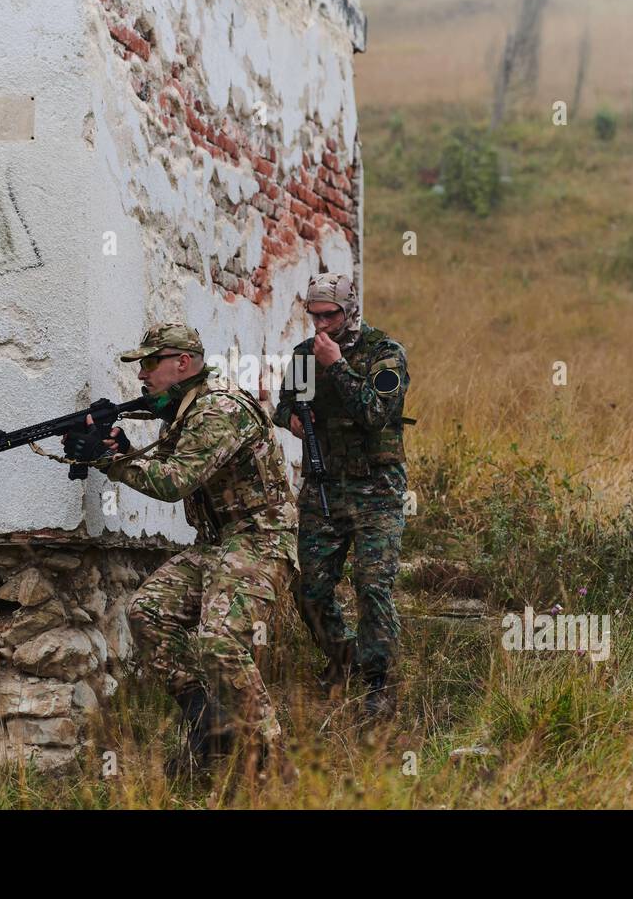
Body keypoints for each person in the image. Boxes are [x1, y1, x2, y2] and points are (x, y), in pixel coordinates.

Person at [63, 323, 297, 777]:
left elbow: (174, 482)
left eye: (150, 363)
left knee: (219, 639)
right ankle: (208, 724)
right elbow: (166, 461)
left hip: (261, 541)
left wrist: (111, 462)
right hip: (219, 545)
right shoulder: (184, 408)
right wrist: (119, 446)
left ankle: (269, 758)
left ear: (182, 363)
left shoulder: (217, 410)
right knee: (147, 612)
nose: (142, 375)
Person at [272, 274, 410, 718]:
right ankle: (342, 657)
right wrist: (293, 420)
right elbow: (284, 406)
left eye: (329, 315)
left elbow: (375, 412)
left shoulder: (385, 353)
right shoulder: (304, 356)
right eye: (314, 316)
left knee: (372, 586)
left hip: (376, 489)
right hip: (325, 486)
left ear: (350, 310)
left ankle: (378, 681)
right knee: (310, 589)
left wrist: (336, 366)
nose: (321, 325)